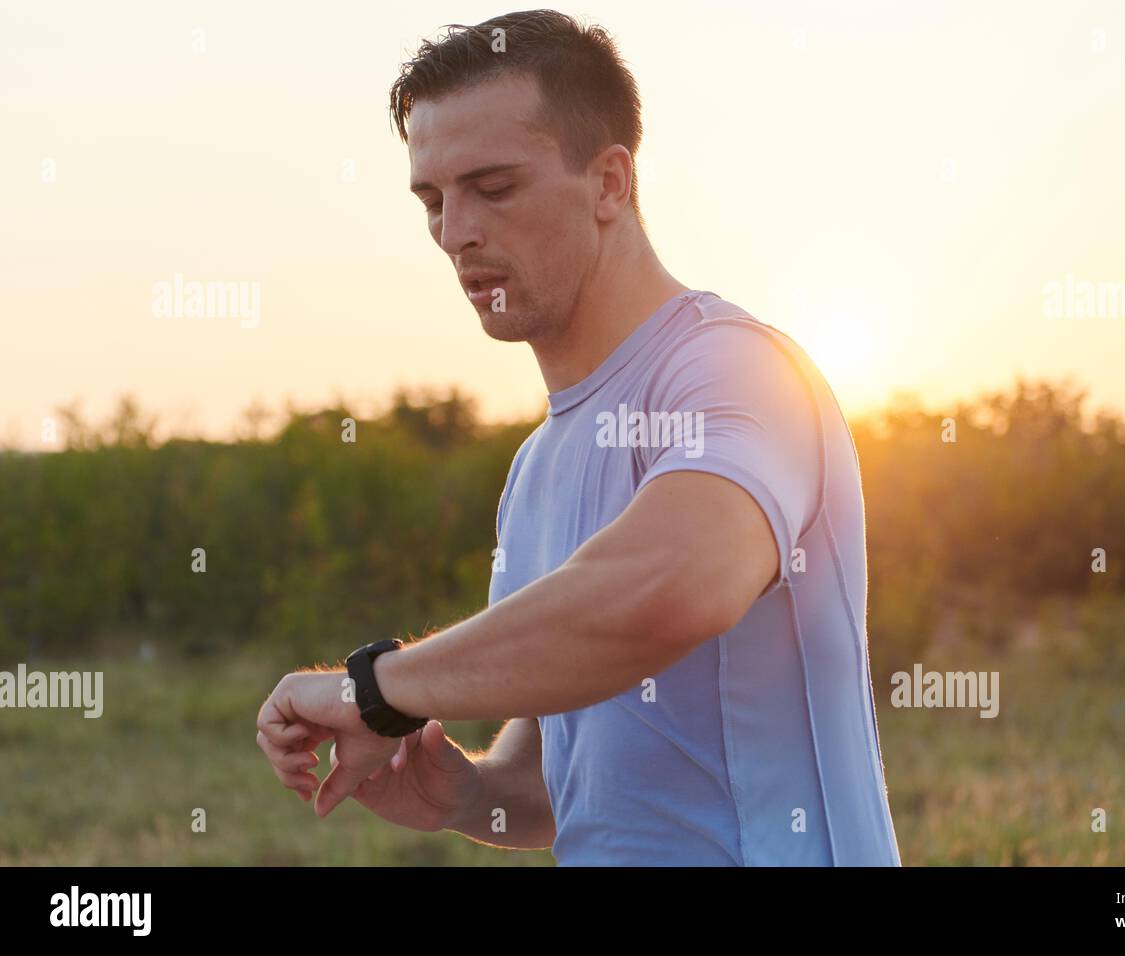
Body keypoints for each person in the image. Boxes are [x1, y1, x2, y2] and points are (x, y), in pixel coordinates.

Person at [256, 9, 901, 866]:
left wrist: (373, 689)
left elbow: (678, 586)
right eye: (432, 199)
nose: (455, 233)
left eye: (494, 187)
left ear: (610, 183)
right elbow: (556, 779)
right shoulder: (536, 466)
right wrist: (468, 793)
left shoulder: (735, 368)